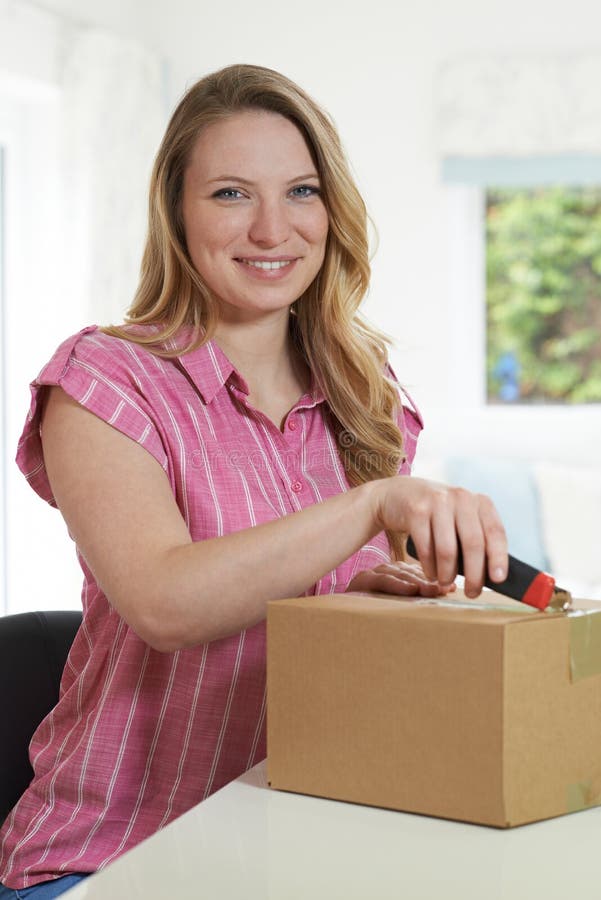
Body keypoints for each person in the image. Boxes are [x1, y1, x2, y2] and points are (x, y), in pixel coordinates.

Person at [0, 63, 508, 897]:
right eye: (231, 194)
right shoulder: (104, 381)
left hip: (296, 852)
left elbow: (310, 638)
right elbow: (165, 603)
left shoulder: (364, 397)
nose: (272, 229)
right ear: (177, 212)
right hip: (110, 861)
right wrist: (370, 506)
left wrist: (368, 602)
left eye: (300, 192)